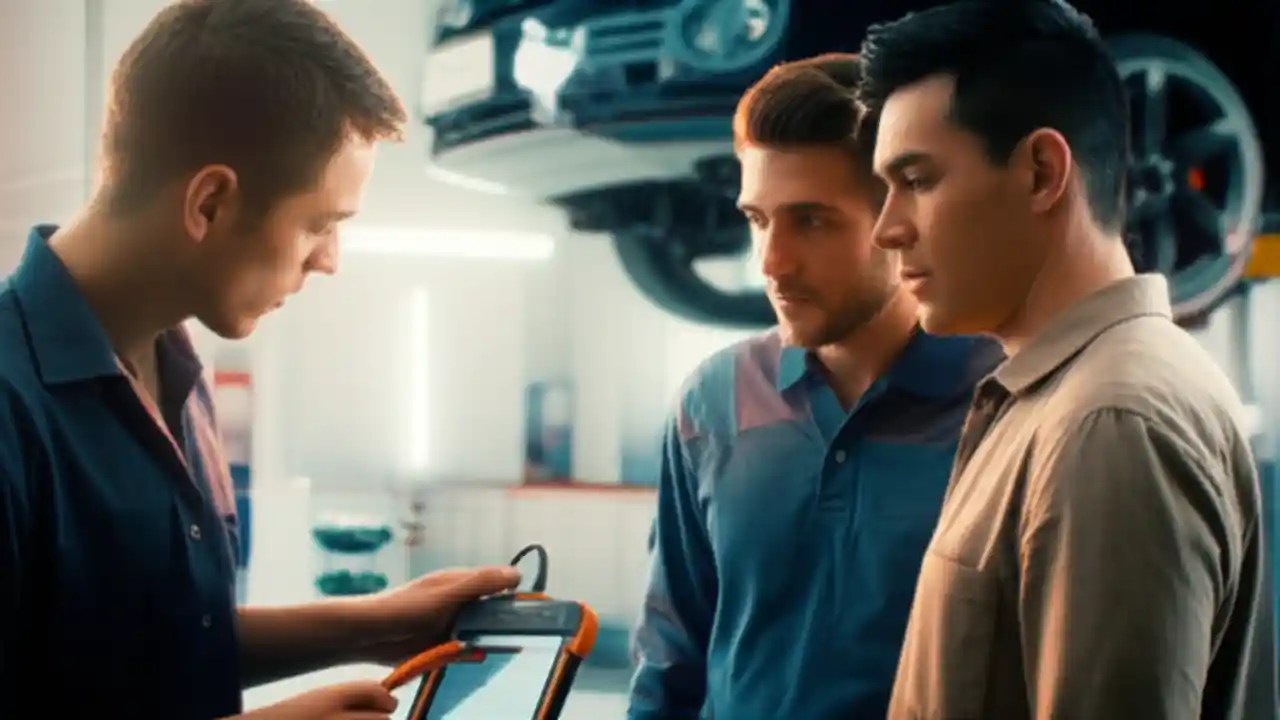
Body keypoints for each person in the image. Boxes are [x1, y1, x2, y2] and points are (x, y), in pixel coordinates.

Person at [0, 1, 519, 718]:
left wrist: (381, 623)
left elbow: (141, 641)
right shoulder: (8, 407)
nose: (329, 261)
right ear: (209, 202)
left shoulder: (176, 379)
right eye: (320, 224)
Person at [856, 1, 1274, 717]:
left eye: (918, 181)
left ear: (1043, 172)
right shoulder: (1063, 396)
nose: (888, 230)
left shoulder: (1110, 422)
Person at [626, 54, 1003, 720]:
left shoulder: (1004, 409)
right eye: (758, 219)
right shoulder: (714, 402)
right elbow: (670, 657)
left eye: (812, 221)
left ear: (897, 219)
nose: (771, 264)